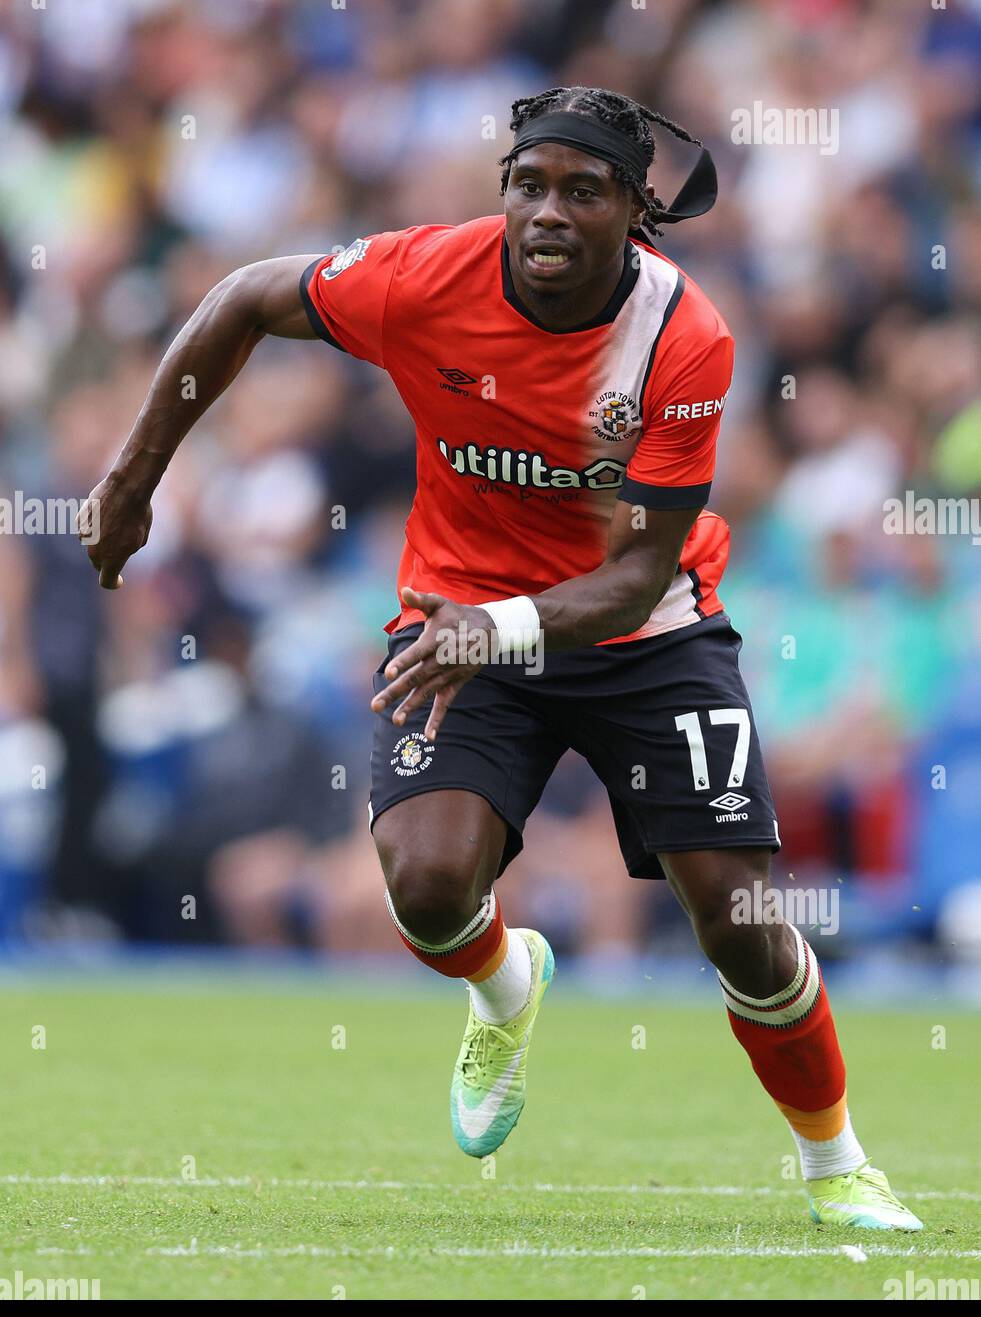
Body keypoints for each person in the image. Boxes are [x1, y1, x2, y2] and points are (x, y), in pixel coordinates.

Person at [82, 85, 920, 1231]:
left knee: (737, 916)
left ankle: (836, 1167)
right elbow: (240, 298)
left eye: (583, 191)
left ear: (636, 211)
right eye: (529, 184)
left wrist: (502, 624)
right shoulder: (425, 277)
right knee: (426, 891)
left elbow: (634, 574)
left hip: (644, 633)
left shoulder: (686, 337)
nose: (549, 212)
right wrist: (134, 479)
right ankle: (506, 983)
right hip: (459, 620)